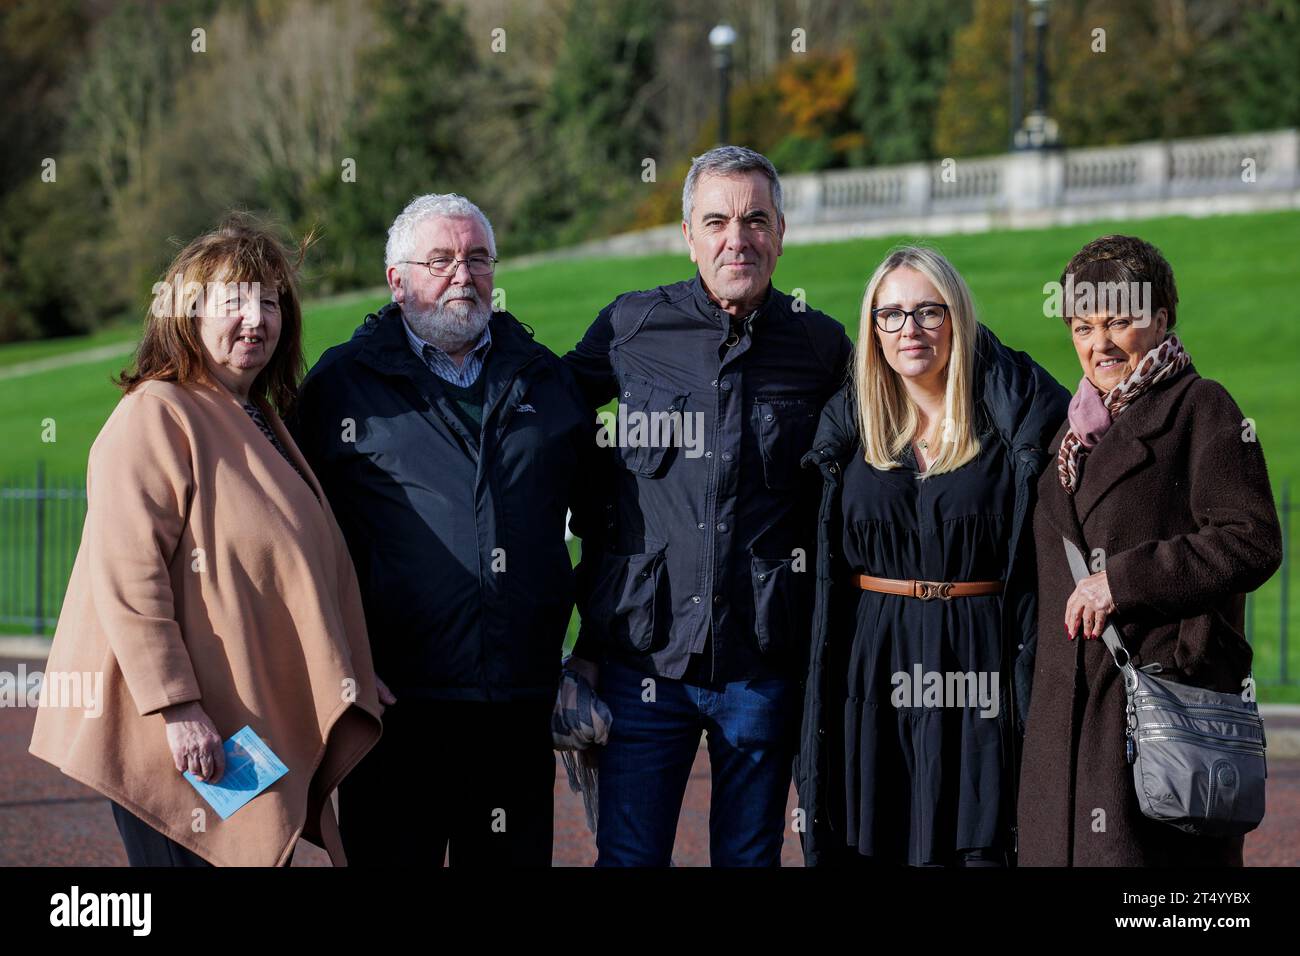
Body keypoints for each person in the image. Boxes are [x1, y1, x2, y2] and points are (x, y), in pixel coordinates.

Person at [29, 215, 384, 866]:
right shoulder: (157, 411)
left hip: (239, 719)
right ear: (187, 316)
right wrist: (178, 707)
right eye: (234, 303)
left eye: (270, 302)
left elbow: (296, 566)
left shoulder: (262, 419)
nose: (256, 320)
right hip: (185, 731)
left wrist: (351, 670)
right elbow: (128, 574)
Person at [288, 193, 600, 867]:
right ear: (397, 281)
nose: (464, 274)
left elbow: (612, 521)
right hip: (396, 708)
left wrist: (591, 650)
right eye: (441, 259)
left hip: (515, 706)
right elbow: (295, 539)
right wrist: (337, 661)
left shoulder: (544, 379)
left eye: (478, 257)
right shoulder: (342, 384)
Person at [563, 145, 853, 866]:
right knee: (629, 859)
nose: (738, 238)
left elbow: (910, 411)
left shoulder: (820, 346)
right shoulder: (629, 329)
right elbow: (540, 417)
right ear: (688, 235)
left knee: (749, 862)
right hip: (645, 662)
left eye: (756, 219)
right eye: (716, 220)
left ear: (781, 232)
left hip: (762, 662)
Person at [795, 246, 1067, 866]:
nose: (909, 329)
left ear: (959, 318)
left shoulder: (1012, 419)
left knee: (978, 842)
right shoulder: (851, 426)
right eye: (889, 315)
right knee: (876, 841)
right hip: (875, 660)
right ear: (873, 331)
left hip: (979, 660)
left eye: (927, 311)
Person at [1017, 234, 1282, 866]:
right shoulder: (1068, 432)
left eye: (1118, 321)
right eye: (1082, 325)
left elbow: (1252, 540)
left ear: (1161, 319)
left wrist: (1122, 582)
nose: (1098, 344)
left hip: (1160, 719)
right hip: (1066, 733)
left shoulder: (1202, 407)